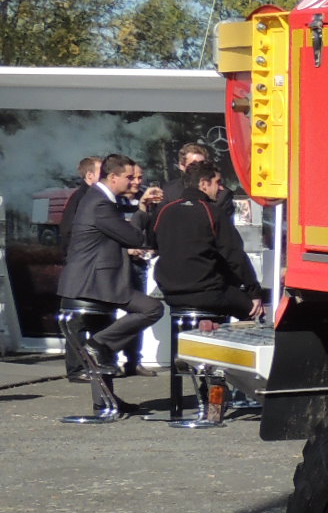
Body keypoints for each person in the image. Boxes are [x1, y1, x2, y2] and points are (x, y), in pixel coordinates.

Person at [57, 154, 162, 415]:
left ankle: (104, 402)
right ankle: (97, 346)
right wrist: (141, 211)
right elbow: (133, 237)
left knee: (104, 340)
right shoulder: (100, 203)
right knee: (152, 308)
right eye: (129, 177)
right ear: (113, 177)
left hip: (96, 280)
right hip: (93, 283)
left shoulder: (99, 200)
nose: (134, 182)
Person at [153, 161, 264, 322]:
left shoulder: (165, 211)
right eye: (217, 182)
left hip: (171, 294)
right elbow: (235, 256)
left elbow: (154, 245)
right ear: (204, 184)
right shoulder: (212, 213)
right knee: (255, 312)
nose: (221, 188)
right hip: (208, 293)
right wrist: (254, 292)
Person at [57, 157, 101, 381]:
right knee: (78, 320)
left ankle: (89, 364)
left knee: (90, 318)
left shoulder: (90, 197)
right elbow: (68, 233)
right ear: (90, 176)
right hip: (81, 267)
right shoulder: (83, 199)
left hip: (85, 265)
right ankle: (76, 368)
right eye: (102, 173)